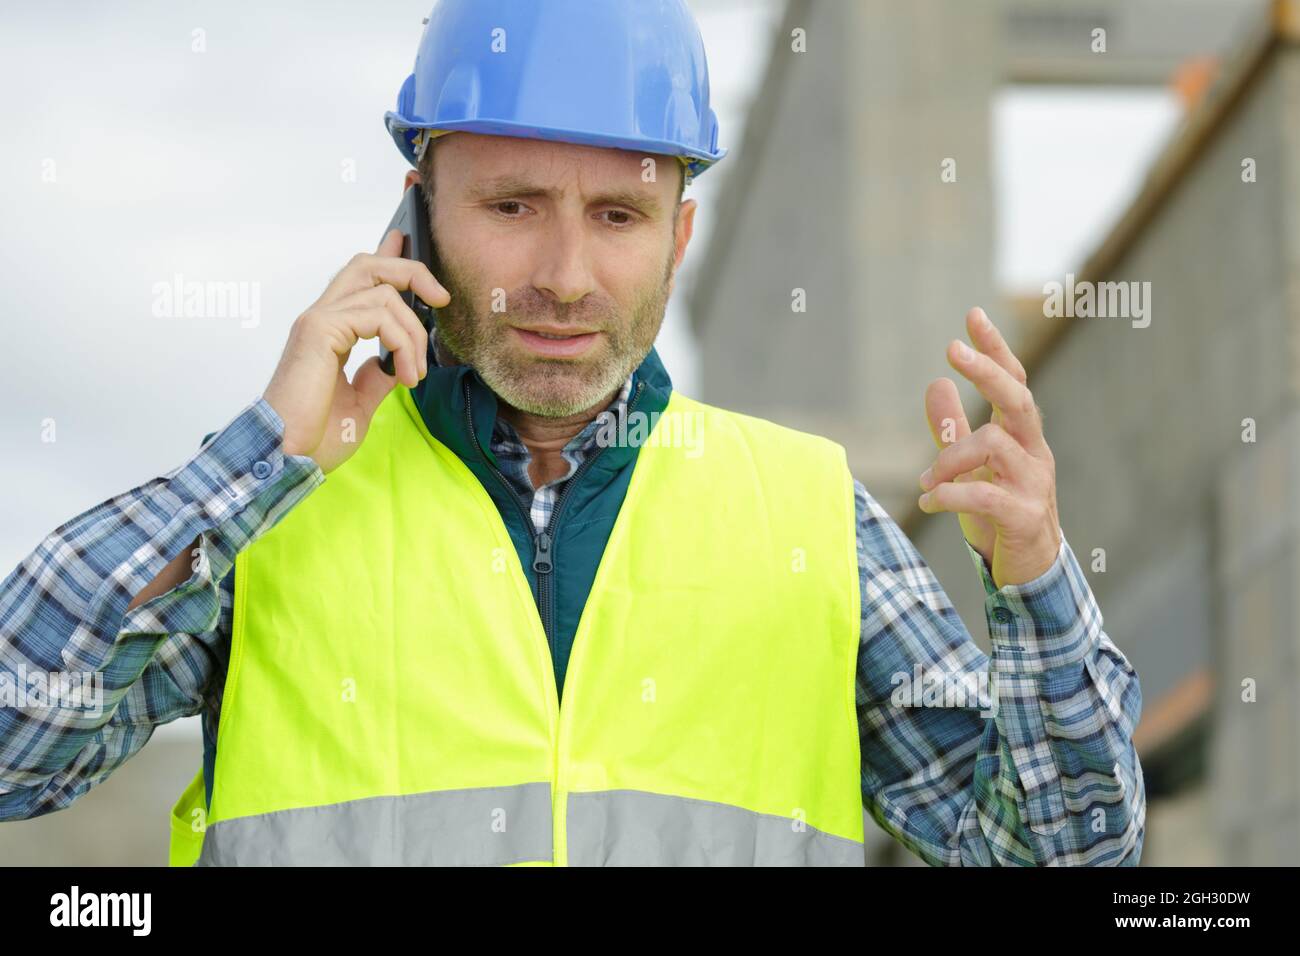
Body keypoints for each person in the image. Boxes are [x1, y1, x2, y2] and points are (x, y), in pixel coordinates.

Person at [0, 0, 1143, 866]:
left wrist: (1036, 583)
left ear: (679, 235)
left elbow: (1061, 856)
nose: (563, 276)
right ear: (417, 214)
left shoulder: (808, 517)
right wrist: (257, 457)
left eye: (616, 216)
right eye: (510, 207)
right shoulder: (269, 509)